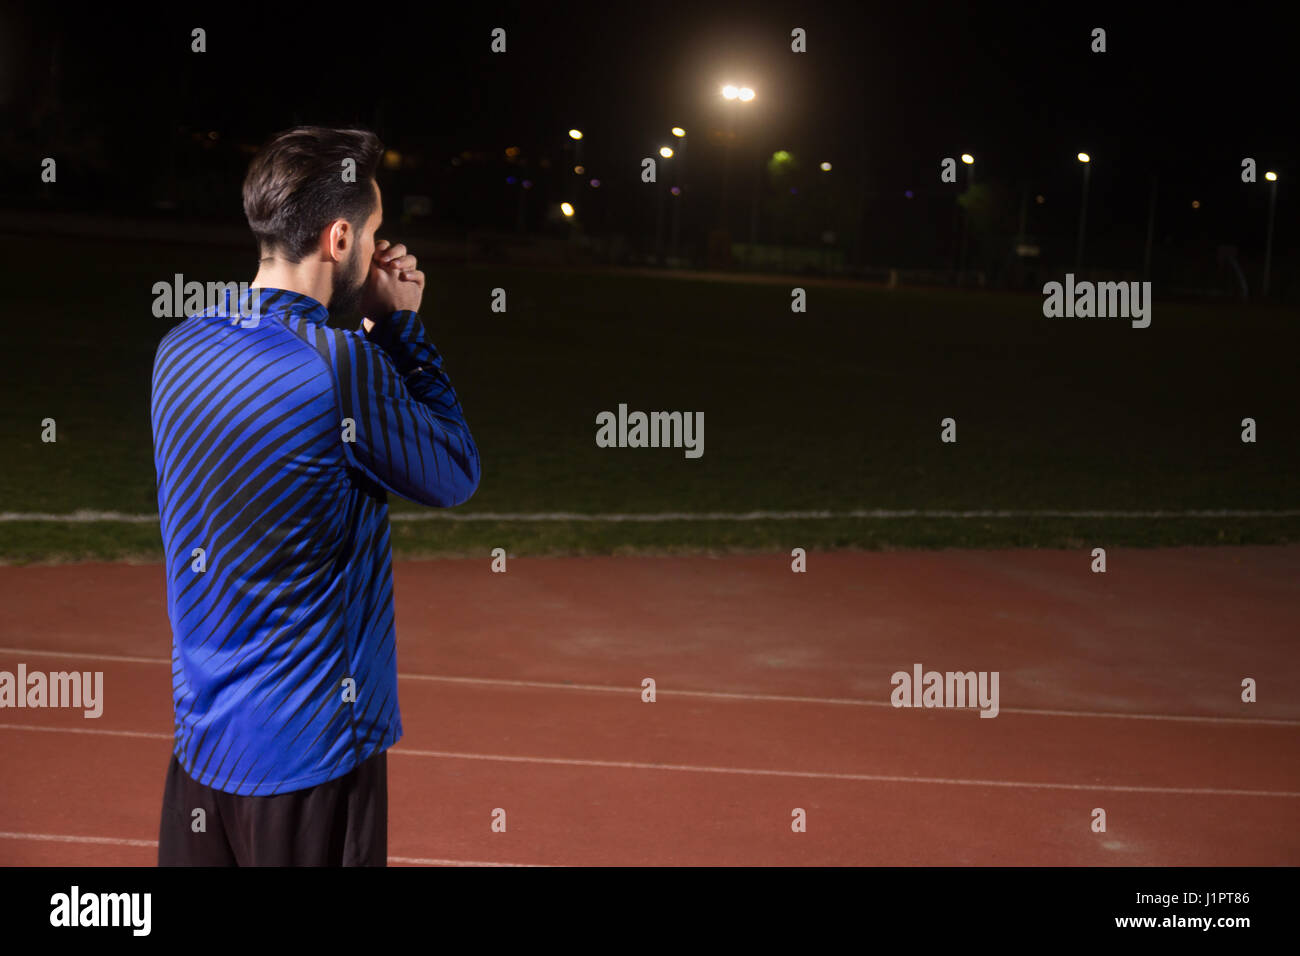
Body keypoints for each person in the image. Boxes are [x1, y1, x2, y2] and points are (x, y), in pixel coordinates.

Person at [151, 126, 479, 865]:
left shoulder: (178, 349)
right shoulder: (340, 366)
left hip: (203, 746)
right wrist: (400, 329)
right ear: (338, 238)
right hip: (313, 754)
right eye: (375, 231)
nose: (382, 249)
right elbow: (454, 469)